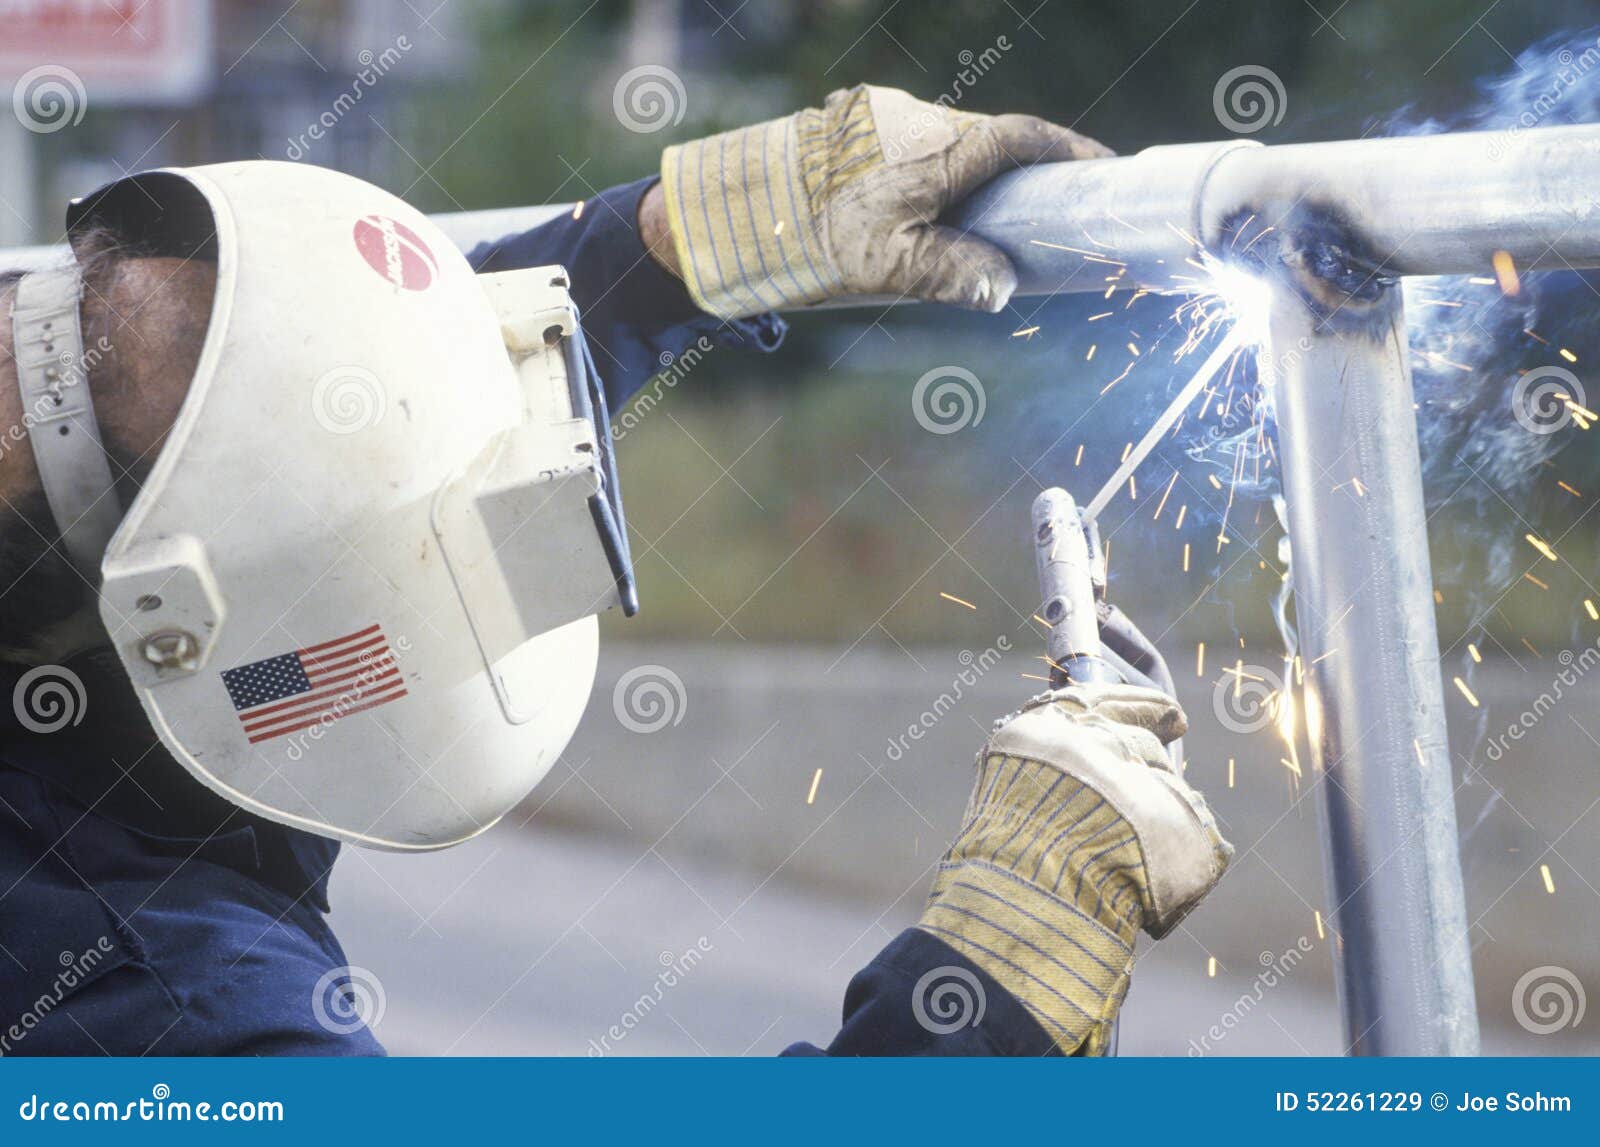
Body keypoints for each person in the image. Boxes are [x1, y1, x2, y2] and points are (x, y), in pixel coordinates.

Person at [0, 85, 1229, 1057]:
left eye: (60, 308)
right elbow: (294, 477)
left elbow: (342, 441)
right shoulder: (164, 1007)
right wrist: (996, 980)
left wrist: (677, 243)